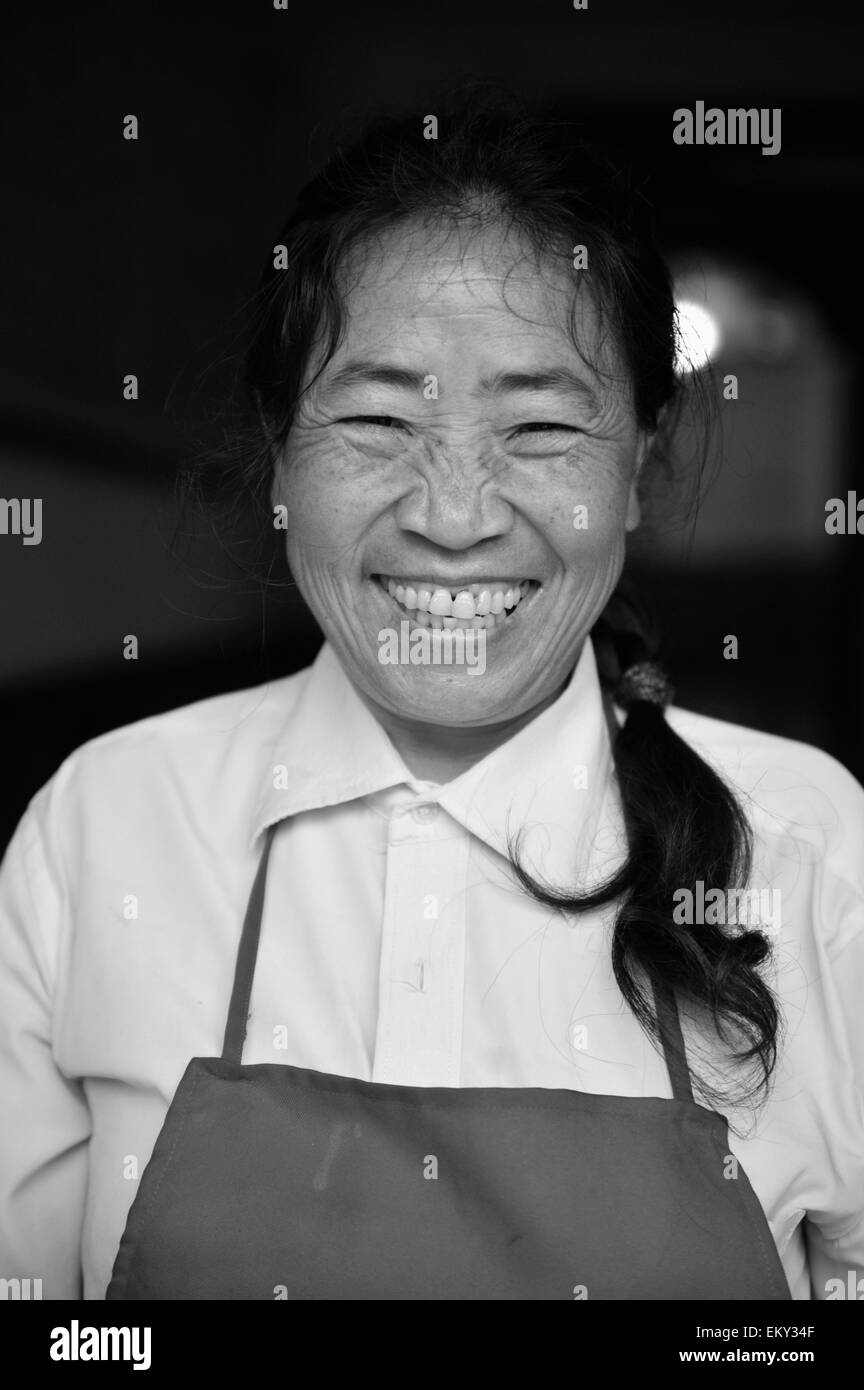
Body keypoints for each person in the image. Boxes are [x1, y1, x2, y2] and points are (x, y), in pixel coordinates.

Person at [0, 100, 862, 1301]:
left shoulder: (814, 847)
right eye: (377, 421)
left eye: (543, 426)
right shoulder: (106, 824)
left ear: (642, 468)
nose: (454, 518)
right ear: (280, 454)